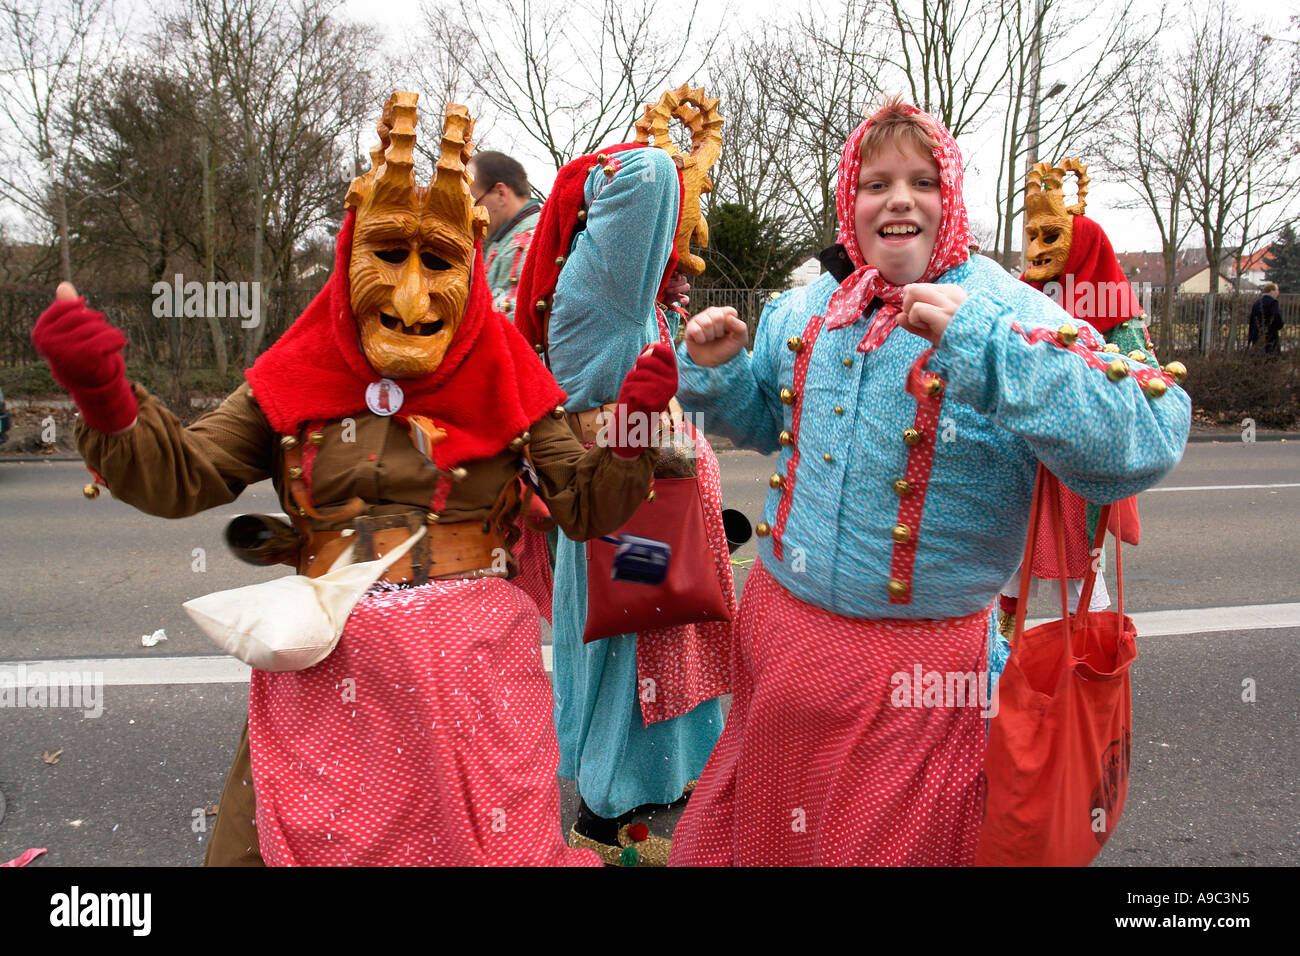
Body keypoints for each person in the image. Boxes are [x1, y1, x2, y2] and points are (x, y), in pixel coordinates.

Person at [30, 93, 678, 866]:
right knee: (264, 849)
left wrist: (633, 434)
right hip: (323, 672)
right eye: (389, 254)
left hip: (468, 688)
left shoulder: (509, 370)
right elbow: (186, 477)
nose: (412, 293)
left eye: (437, 260)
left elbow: (584, 508)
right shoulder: (297, 368)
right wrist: (106, 399)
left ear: (468, 267)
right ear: (349, 255)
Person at [668, 96, 1190, 866]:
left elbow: (1149, 438)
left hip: (923, 685)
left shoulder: (1015, 311)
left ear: (953, 197)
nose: (899, 199)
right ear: (852, 202)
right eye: (876, 183)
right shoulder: (806, 307)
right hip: (779, 646)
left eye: (923, 181)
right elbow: (770, 429)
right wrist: (721, 376)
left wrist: (987, 350)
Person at [513, 123, 733, 866]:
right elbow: (645, 181)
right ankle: (611, 820)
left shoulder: (625, 302)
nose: (682, 255)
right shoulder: (601, 293)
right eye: (674, 234)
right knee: (633, 648)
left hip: (645, 508)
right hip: (629, 512)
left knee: (655, 641)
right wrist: (654, 161)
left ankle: (644, 796)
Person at [999, 160, 1157, 633]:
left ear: (1082, 244)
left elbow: (1144, 387)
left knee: (1078, 576)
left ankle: (1082, 675)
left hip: (1076, 471)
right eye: (1031, 236)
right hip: (1019, 459)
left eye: (1050, 237)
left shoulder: (1117, 313)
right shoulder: (1023, 300)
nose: (1035, 250)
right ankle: (1001, 673)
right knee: (1008, 563)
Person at [467, 150, 541, 318]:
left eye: (473, 204)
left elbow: (511, 332)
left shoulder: (529, 244)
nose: (470, 215)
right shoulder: (504, 243)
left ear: (500, 193)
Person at [1250, 282, 1283, 354]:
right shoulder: (1273, 302)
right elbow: (1276, 315)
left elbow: (1252, 320)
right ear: (1272, 291)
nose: (1278, 292)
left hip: (1257, 335)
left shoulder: (1257, 303)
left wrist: (1251, 336)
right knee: (1271, 357)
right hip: (1270, 335)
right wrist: (1279, 325)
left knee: (1257, 358)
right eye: (1277, 290)